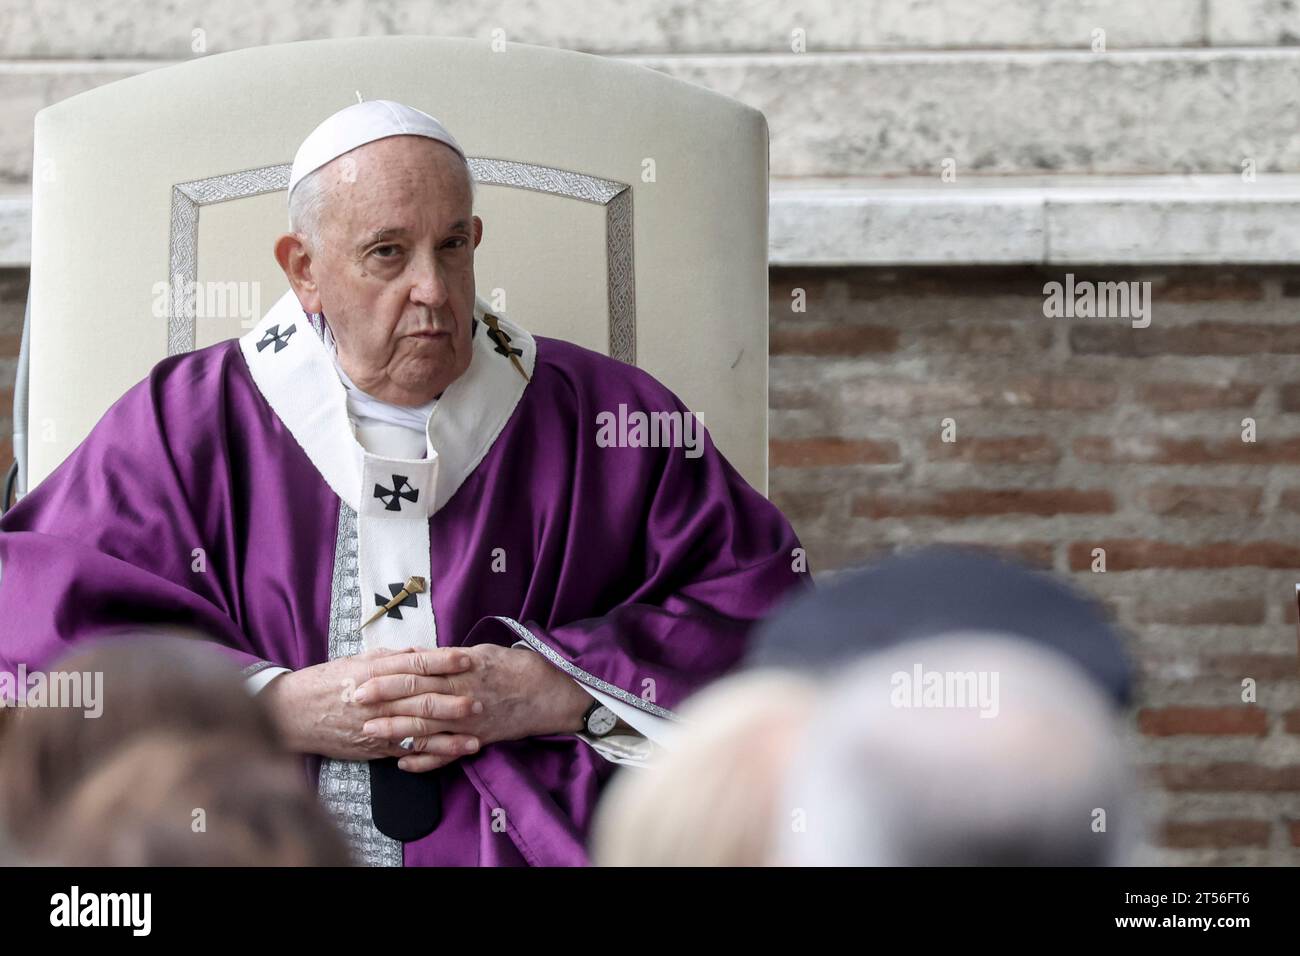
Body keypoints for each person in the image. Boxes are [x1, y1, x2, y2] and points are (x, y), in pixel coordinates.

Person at [0, 100, 807, 865]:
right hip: (256, 838)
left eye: (453, 245)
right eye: (389, 252)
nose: (433, 288)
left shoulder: (607, 415)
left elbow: (763, 603)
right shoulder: (186, 422)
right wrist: (270, 707)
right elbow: (34, 619)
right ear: (304, 269)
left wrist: (560, 687)